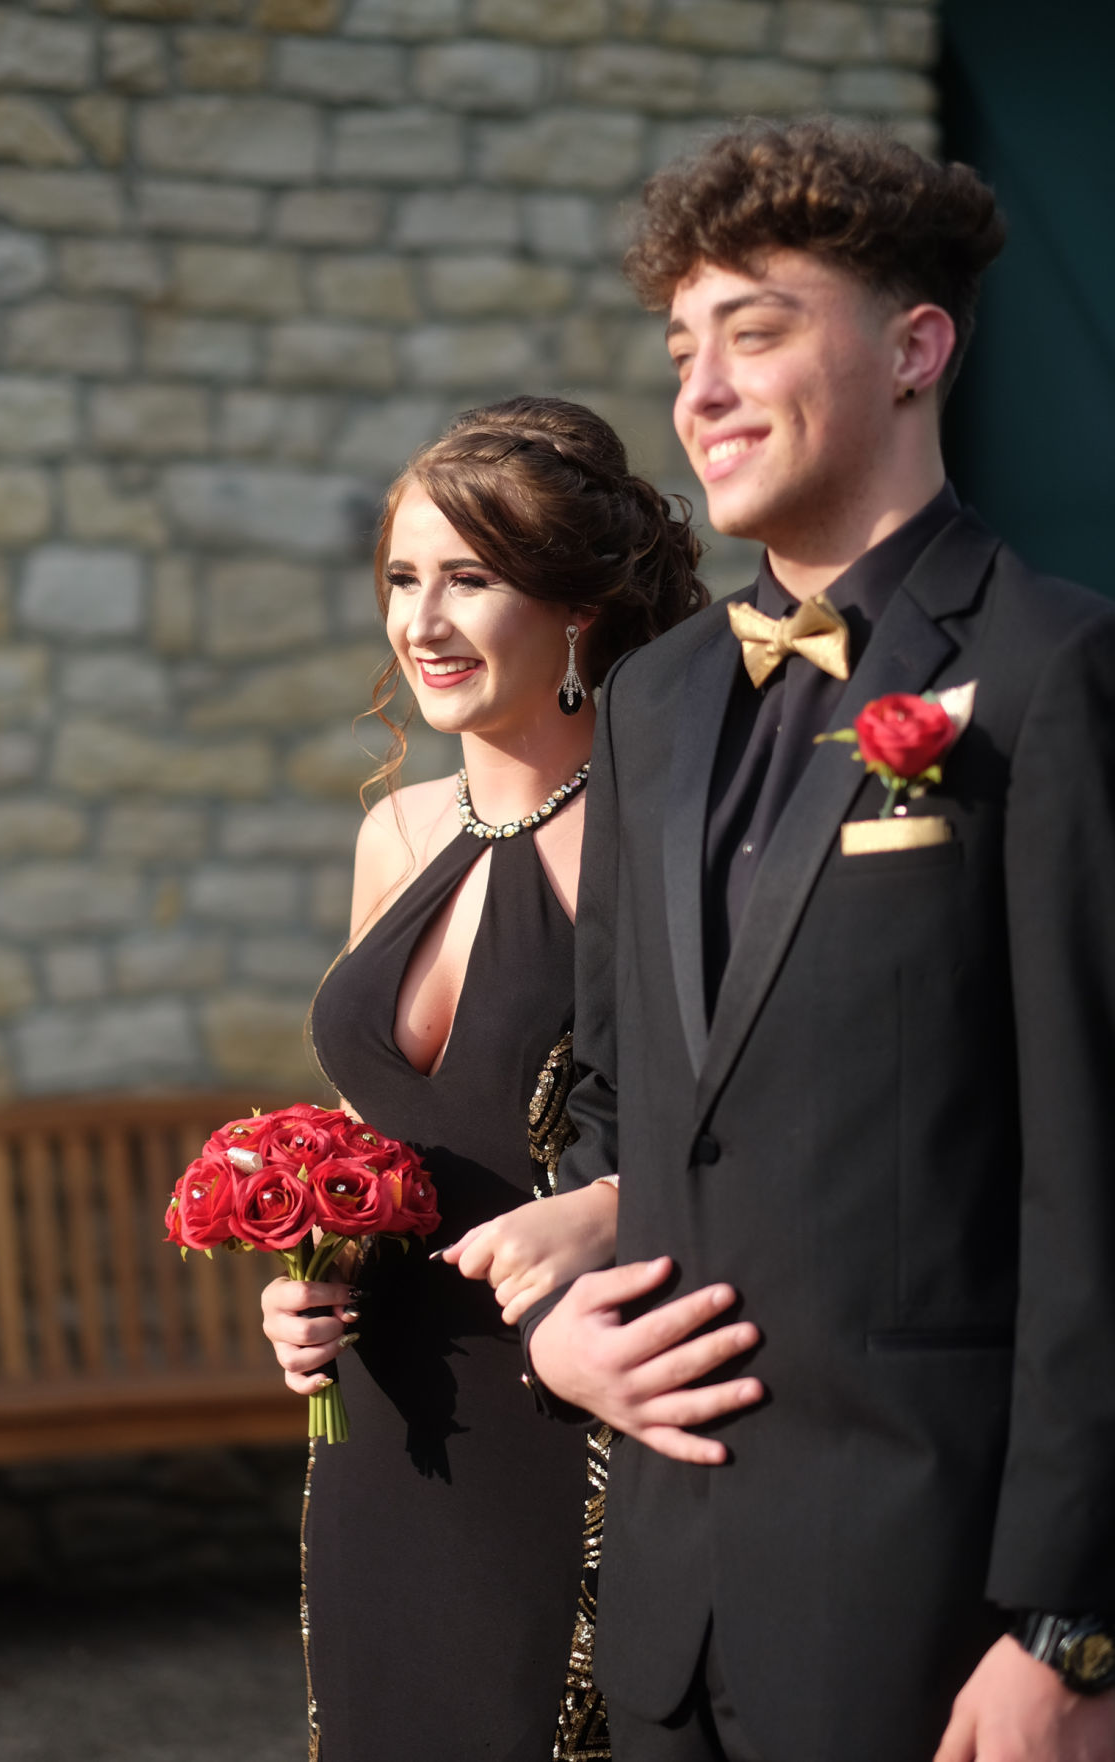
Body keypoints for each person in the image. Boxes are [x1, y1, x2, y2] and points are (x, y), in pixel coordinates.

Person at [524, 121, 1115, 1762]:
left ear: (917, 347)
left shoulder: (1058, 672)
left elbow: (1100, 1174)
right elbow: (617, 1107)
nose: (700, 389)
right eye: (682, 349)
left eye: (757, 330)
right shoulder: (650, 701)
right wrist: (553, 1328)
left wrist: (1070, 1623)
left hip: (936, 1634)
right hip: (667, 1625)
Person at [259, 396, 756, 1762]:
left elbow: (758, 1125)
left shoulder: (669, 833)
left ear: (577, 607)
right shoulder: (398, 828)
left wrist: (605, 1208)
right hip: (381, 1421)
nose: (423, 620)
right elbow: (374, 1141)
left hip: (572, 1409)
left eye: (471, 579)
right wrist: (308, 1271)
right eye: (405, 579)